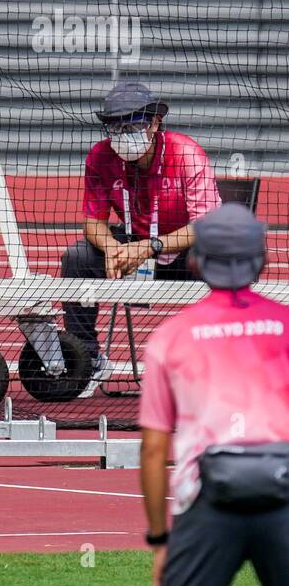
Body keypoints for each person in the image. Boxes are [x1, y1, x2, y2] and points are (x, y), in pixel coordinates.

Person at [139, 203, 289, 586]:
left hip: (204, 502)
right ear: (261, 261)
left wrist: (159, 539)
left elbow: (154, 450)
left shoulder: (170, 338)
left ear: (196, 261)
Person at [61, 81, 220, 376]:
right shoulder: (100, 157)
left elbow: (206, 225)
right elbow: (93, 222)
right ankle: (86, 360)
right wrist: (111, 248)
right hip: (131, 250)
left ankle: (215, 358)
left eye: (132, 125)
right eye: (115, 127)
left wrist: (151, 246)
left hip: (183, 253)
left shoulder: (186, 153)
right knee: (78, 258)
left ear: (155, 122)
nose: (123, 135)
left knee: (220, 256)